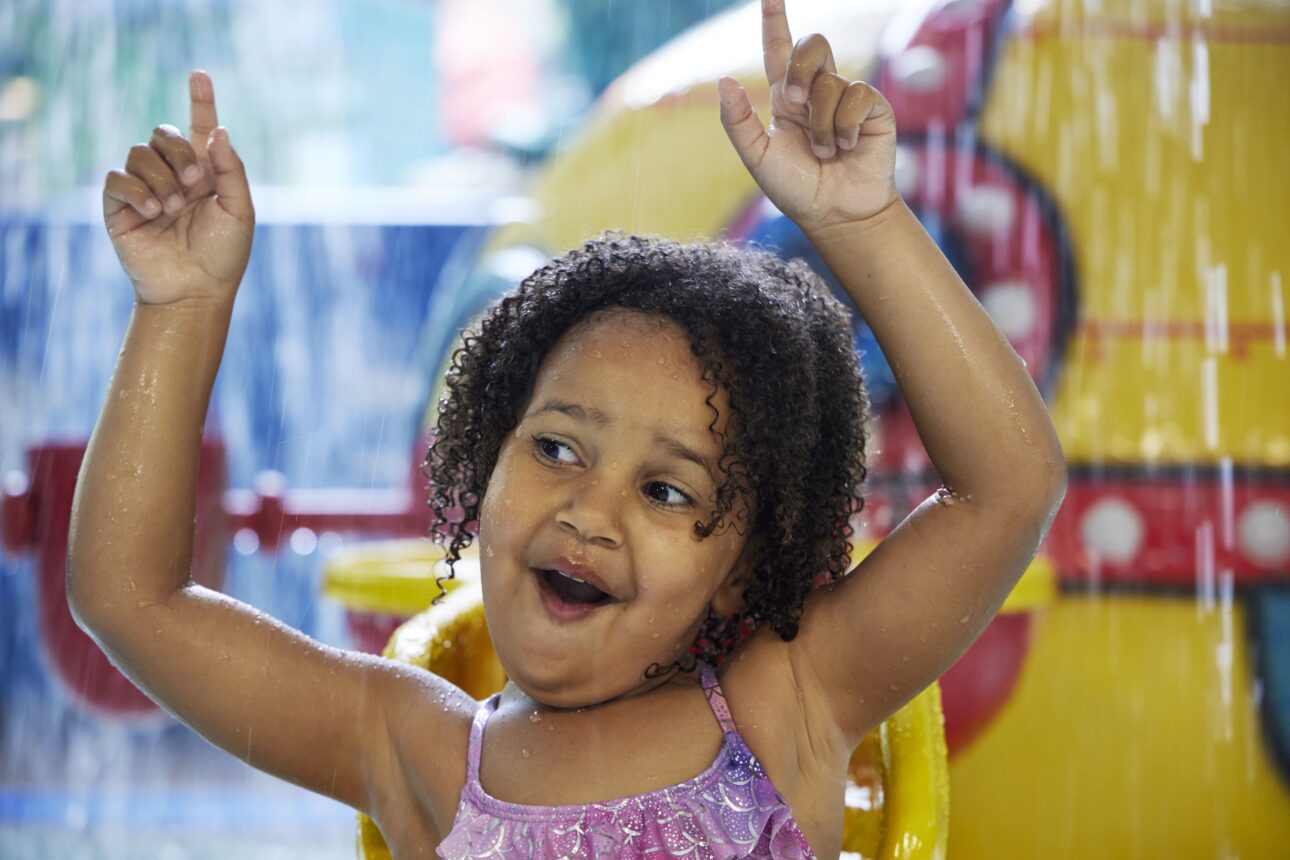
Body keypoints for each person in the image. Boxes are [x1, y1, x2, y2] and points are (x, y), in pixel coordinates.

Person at [69, 1, 1067, 857]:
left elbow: (1011, 483)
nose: (590, 507)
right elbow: (130, 598)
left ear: (740, 566)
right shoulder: (414, 746)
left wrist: (861, 223)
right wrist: (182, 304)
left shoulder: (789, 703)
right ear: (484, 465)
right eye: (554, 447)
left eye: (668, 490)